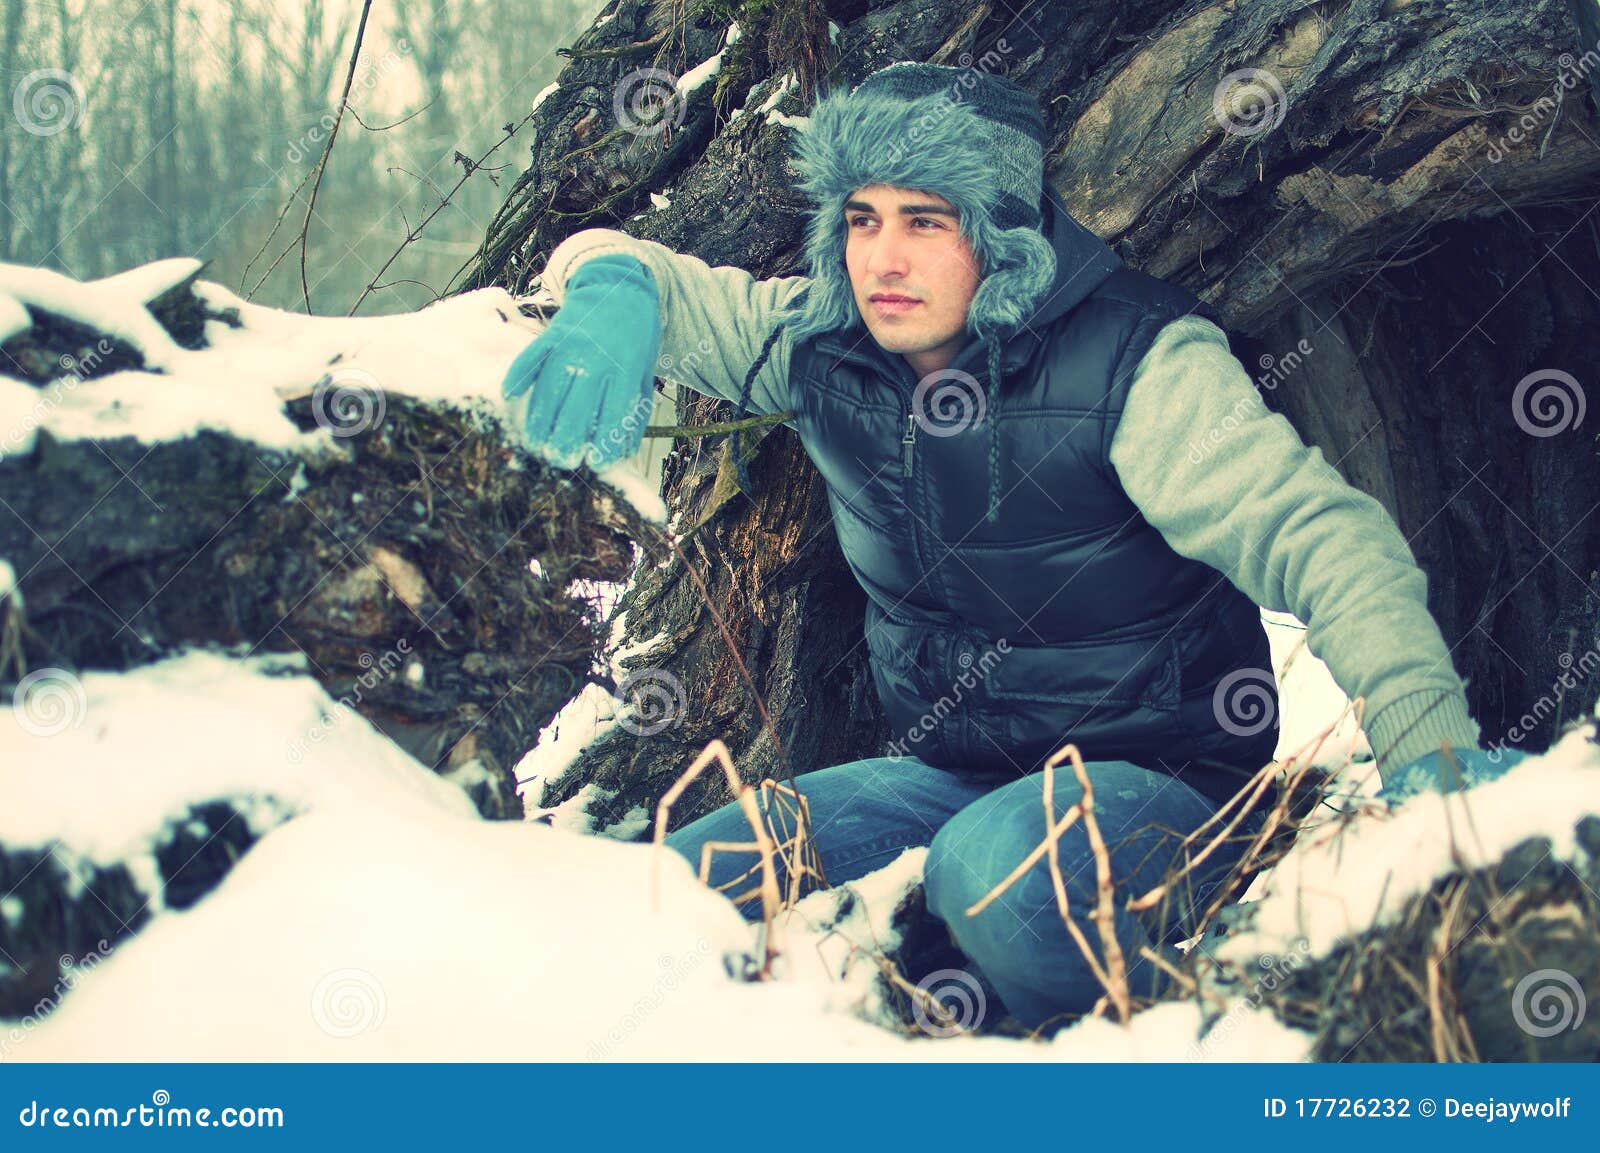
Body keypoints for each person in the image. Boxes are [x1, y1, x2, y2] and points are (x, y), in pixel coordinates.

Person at [501, 63, 1522, 1030]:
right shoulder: (824, 339)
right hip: (947, 774)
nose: (881, 259)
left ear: (1002, 234)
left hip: (1159, 781)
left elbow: (1322, 538)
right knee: (660, 895)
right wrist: (612, 293)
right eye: (860, 219)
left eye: (924, 221)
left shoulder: (1135, 364)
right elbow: (647, 273)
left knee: (990, 877)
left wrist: (1428, 758)